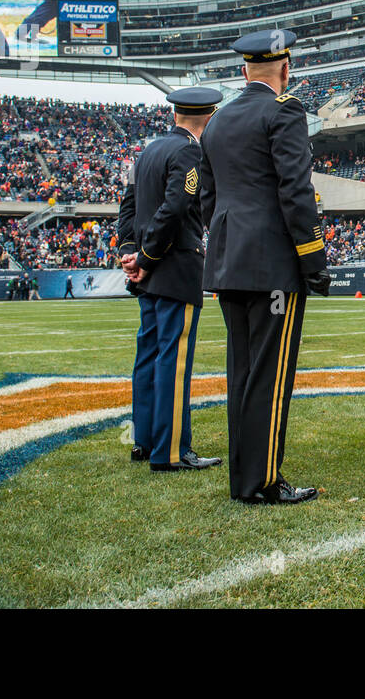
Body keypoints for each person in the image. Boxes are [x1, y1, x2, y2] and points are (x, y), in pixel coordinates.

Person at [201, 29, 330, 504]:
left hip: (229, 260)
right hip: (272, 263)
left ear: (243, 72)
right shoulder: (284, 109)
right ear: (285, 69)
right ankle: (263, 482)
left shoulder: (216, 121)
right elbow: (295, 190)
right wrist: (313, 258)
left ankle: (244, 479)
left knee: (242, 371)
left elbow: (208, 198)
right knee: (270, 375)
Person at [118, 86, 223, 473]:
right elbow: (177, 206)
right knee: (172, 361)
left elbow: (127, 205)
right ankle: (172, 451)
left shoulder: (148, 151)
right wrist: (146, 256)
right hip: (175, 266)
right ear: (207, 117)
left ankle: (144, 441)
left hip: (147, 274)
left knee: (147, 356)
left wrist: (132, 252)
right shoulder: (188, 152)